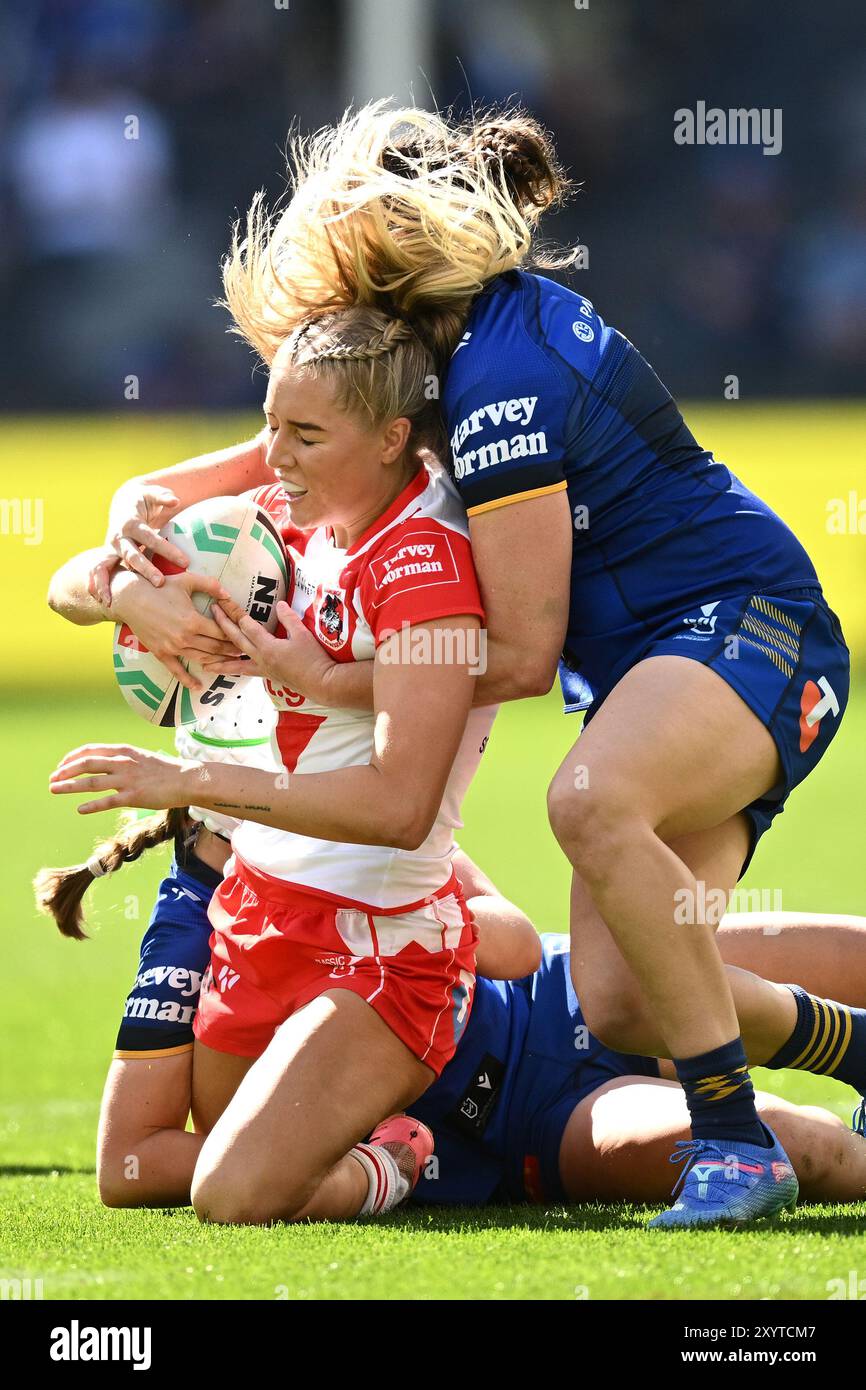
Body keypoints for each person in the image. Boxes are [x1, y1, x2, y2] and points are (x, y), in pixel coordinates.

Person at [86, 104, 852, 1227]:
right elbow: (252, 459)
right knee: (626, 993)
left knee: (588, 801)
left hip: (741, 623)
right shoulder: (445, 357)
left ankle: (732, 1140)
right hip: (669, 654)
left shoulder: (496, 379)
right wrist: (126, 517)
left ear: (381, 243)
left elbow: (525, 654)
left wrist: (326, 675)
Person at [47, 305, 502, 1226]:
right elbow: (72, 578)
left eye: (301, 434)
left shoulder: (425, 564)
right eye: (268, 424)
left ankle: (399, 1161)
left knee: (232, 1190)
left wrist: (188, 784)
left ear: (391, 440)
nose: (270, 454)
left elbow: (398, 809)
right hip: (257, 908)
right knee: (202, 1148)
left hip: (378, 940)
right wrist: (133, 593)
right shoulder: (285, 518)